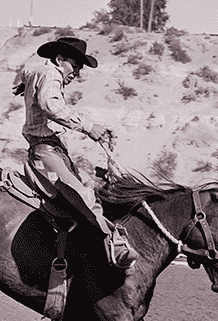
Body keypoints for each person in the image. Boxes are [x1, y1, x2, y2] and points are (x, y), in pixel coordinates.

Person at [13, 37, 136, 269]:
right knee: (82, 195)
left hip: (53, 150)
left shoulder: (41, 71)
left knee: (88, 186)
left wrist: (27, 82)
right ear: (60, 60)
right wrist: (90, 128)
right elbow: (51, 106)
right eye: (75, 66)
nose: (77, 73)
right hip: (47, 152)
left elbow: (29, 71)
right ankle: (115, 243)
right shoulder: (52, 75)